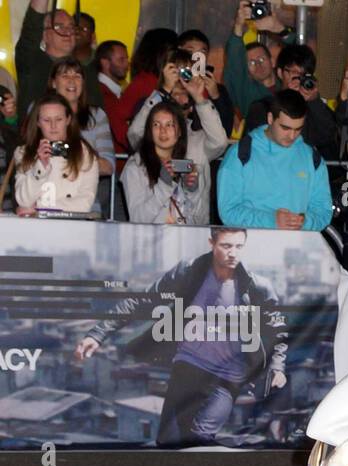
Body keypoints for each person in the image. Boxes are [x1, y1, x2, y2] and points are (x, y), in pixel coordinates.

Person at [74, 227, 289, 447]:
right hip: (188, 367)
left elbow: (277, 328)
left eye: (238, 246)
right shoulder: (189, 272)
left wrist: (277, 366)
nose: (233, 253)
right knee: (167, 441)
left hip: (227, 377)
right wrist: (98, 334)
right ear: (212, 243)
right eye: (226, 246)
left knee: (201, 436)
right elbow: (142, 302)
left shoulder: (257, 286)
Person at [217, 90, 333, 232]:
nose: (291, 135)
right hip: (251, 247)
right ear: (270, 118)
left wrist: (305, 222)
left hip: (296, 248)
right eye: (285, 128)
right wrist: (271, 220)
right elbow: (228, 212)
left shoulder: (312, 157)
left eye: (298, 129)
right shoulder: (240, 154)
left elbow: (323, 211)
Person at [122, 100, 217, 225]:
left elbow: (200, 220)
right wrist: (163, 186)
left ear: (180, 132)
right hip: (152, 241)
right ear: (149, 131)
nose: (163, 131)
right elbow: (137, 218)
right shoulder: (135, 167)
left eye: (170, 125)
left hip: (185, 240)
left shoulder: (187, 165)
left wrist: (192, 192)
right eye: (156, 125)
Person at [125, 51, 229, 165]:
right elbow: (135, 135)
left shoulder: (197, 141)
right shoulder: (152, 131)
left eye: (187, 72)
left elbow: (219, 142)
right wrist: (163, 91)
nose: (179, 101)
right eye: (176, 70)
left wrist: (200, 99)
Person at [12, 92, 98, 216]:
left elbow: (85, 202)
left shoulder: (85, 153)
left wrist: (40, 207)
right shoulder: (23, 152)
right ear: (37, 123)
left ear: (68, 120)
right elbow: (24, 200)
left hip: (71, 227)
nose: (53, 126)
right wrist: (40, 166)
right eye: (46, 120)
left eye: (59, 119)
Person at [246, 44, 339, 157]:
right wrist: (288, 100)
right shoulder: (262, 107)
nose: (299, 79)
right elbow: (259, 146)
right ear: (280, 73)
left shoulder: (314, 107)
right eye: (294, 74)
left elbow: (327, 137)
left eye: (304, 75)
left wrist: (314, 101)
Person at [16, 0, 101, 118]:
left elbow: (97, 118)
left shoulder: (87, 73)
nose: (67, 32)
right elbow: (31, 27)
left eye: (71, 27)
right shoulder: (32, 62)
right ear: (44, 35)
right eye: (58, 26)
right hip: (38, 135)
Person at [114, 29, 179, 147]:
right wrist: (136, 145)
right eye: (173, 52)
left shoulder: (164, 81)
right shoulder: (144, 82)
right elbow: (118, 118)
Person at [223, 2, 282, 120]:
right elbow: (235, 63)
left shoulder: (288, 83)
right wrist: (239, 25)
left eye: (261, 59)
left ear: (272, 61)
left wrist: (280, 29)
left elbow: (299, 57)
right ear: (246, 69)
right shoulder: (246, 91)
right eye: (252, 63)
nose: (258, 65)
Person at [177, 30, 237, 138]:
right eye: (190, 52)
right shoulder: (172, 84)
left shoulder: (218, 89)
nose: (196, 58)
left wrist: (216, 97)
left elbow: (226, 130)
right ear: (179, 51)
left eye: (202, 53)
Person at [95, 40, 130, 154]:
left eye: (126, 59)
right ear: (105, 63)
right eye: (121, 60)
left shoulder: (114, 92)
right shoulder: (103, 94)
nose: (127, 64)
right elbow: (124, 136)